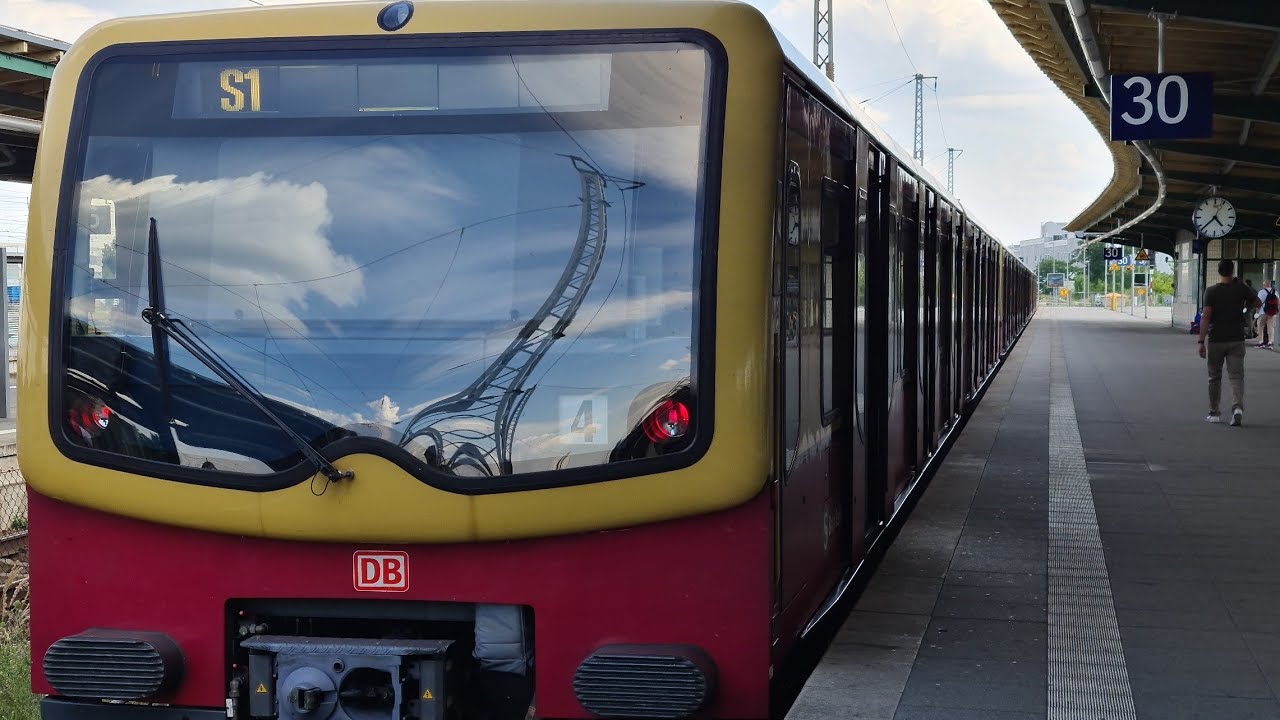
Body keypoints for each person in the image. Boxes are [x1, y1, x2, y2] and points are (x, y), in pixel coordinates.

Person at [1199, 259, 1259, 425]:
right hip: (1236, 339)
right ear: (1232, 271)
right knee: (1236, 376)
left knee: (1214, 377)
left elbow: (1205, 317)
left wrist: (1200, 341)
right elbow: (1257, 303)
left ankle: (1214, 413)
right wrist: (1245, 300)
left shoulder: (1211, 291)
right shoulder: (1241, 288)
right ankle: (1237, 408)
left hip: (1216, 339)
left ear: (1219, 272)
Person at [1256, 280, 1277, 349]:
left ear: (1264, 285)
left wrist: (1257, 312)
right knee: (1271, 327)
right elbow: (1278, 302)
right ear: (1270, 285)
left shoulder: (1261, 292)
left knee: (1260, 326)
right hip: (1272, 312)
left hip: (1263, 312)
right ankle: (1270, 343)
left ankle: (1261, 342)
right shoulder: (1275, 291)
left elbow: (1258, 303)